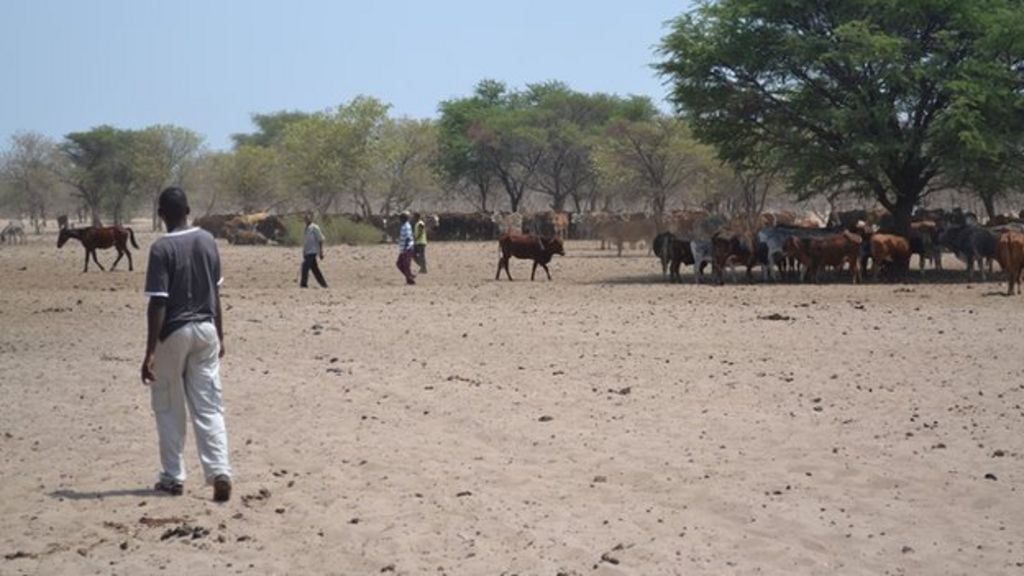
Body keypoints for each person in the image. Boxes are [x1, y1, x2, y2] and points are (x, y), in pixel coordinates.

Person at [140, 187, 232, 502]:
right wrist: (220, 334)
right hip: (206, 329)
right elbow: (216, 293)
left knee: (168, 406)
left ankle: (173, 477)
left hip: (174, 332)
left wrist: (150, 351)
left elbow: (158, 302)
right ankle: (219, 471)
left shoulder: (161, 248)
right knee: (209, 406)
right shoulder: (207, 240)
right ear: (189, 210)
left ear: (161, 215)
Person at [300, 212, 328, 288]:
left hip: (313, 251)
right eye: (305, 218)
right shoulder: (306, 229)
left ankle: (303, 285)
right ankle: (324, 285)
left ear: (311, 218)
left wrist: (321, 252)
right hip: (307, 252)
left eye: (307, 218)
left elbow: (320, 239)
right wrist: (304, 251)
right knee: (315, 269)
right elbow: (305, 242)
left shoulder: (315, 227)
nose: (306, 219)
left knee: (305, 267)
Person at [396, 211, 416, 285]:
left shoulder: (406, 226)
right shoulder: (404, 226)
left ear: (403, 218)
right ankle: (409, 276)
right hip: (404, 249)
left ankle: (410, 280)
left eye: (400, 218)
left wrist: (405, 248)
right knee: (399, 264)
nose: (399, 219)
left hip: (407, 248)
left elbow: (408, 238)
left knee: (406, 265)